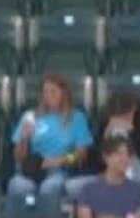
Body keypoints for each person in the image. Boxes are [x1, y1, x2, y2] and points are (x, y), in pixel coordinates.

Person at [8, 74, 92, 202]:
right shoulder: (30, 116)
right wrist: (23, 139)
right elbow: (18, 157)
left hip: (59, 170)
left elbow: (82, 154)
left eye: (53, 91)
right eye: (45, 92)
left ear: (64, 93)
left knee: (50, 188)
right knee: (18, 186)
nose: (48, 95)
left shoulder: (77, 118)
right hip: (32, 169)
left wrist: (60, 160)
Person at [75, 136, 140, 218]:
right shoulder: (88, 189)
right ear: (106, 157)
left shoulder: (139, 190)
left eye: (128, 155)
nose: (124, 159)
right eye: (119, 154)